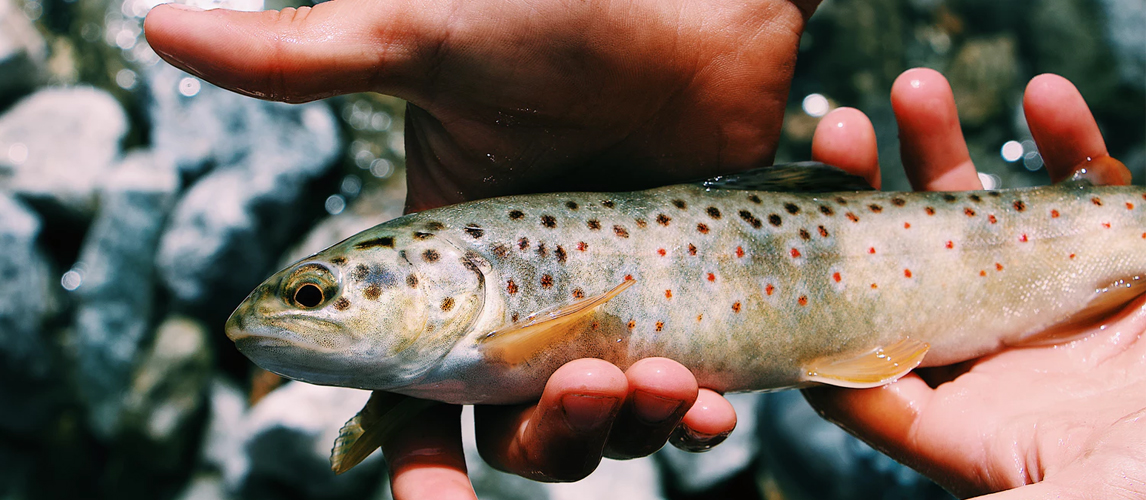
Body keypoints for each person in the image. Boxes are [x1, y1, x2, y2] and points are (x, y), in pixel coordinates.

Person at [143, 0, 1145, 498]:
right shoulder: (449, 353)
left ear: (453, 280)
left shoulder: (474, 338)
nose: (278, 318)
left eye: (319, 293)